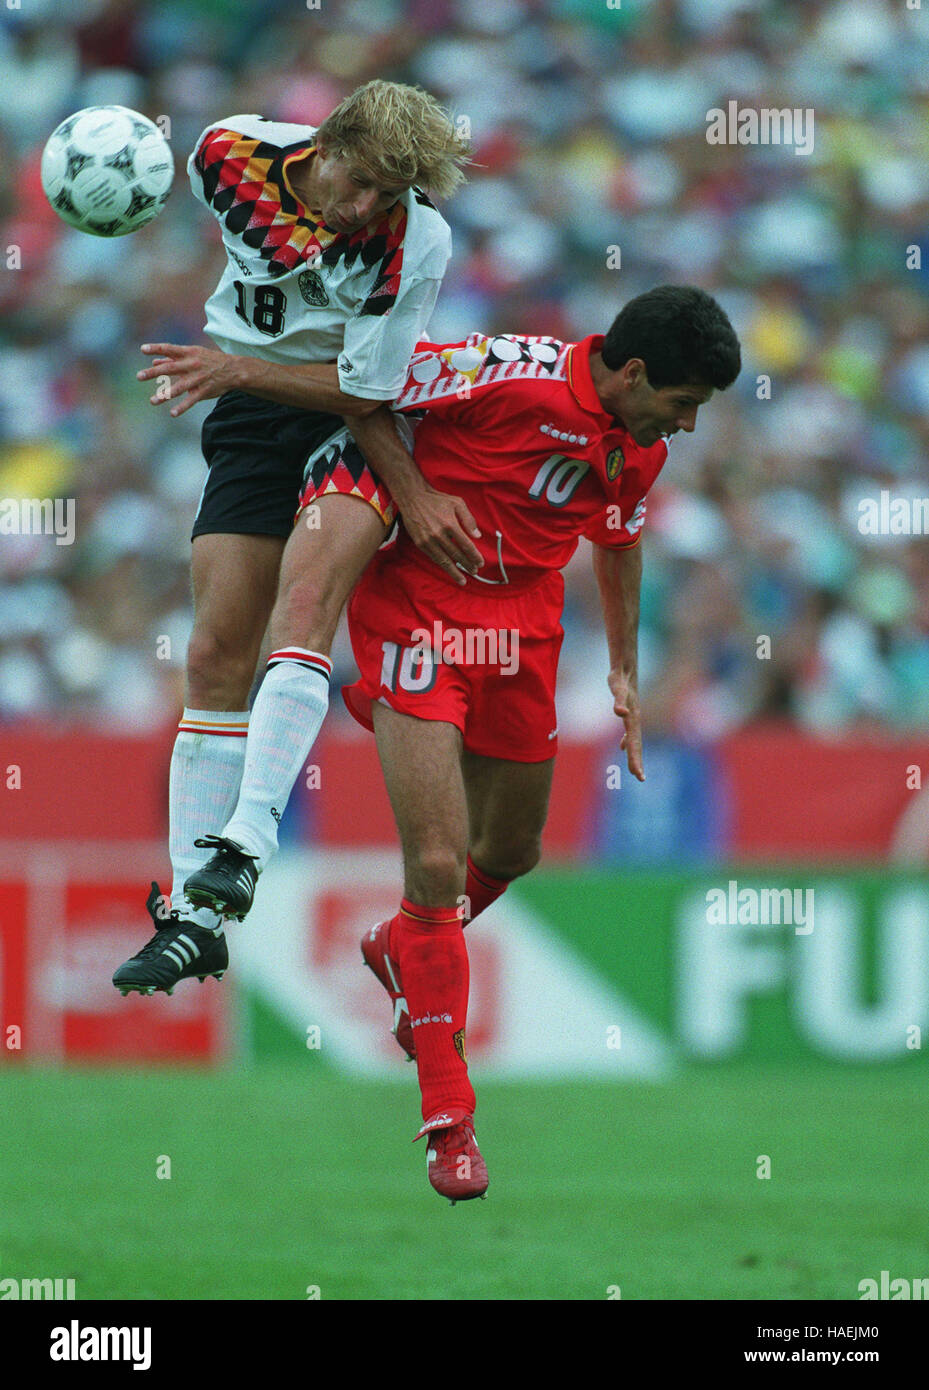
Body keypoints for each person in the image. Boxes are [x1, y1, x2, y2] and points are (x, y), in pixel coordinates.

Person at [181, 284, 742, 1201]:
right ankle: (449, 1121)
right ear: (633, 372)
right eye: (680, 405)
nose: (682, 428)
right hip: (418, 614)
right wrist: (249, 380)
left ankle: (398, 945)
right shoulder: (503, 373)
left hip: (527, 627)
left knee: (511, 851)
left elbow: (618, 538)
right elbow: (365, 391)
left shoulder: (636, 446)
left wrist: (626, 671)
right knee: (437, 867)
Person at [113, 80, 481, 998]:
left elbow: (364, 392)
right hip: (246, 414)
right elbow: (154, 186)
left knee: (305, 605)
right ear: (325, 143)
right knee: (211, 654)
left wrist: (238, 365)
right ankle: (193, 923)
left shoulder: (417, 237)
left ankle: (245, 842)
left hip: (346, 423)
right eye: (359, 185)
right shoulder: (227, 153)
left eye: (387, 198)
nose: (365, 210)